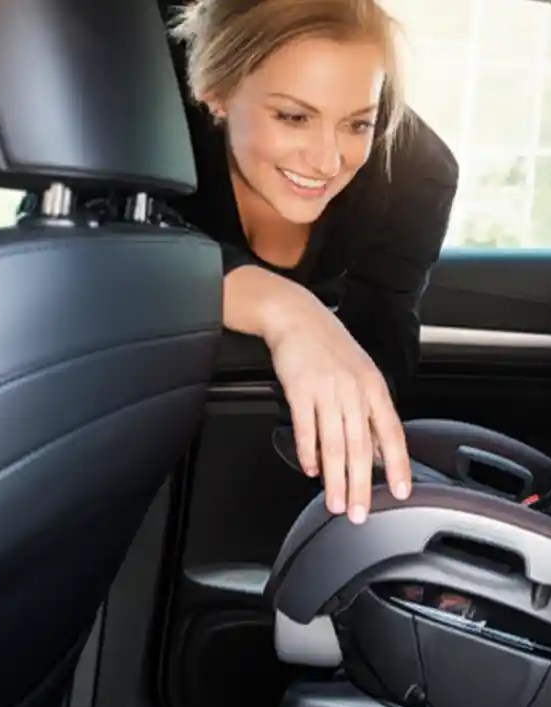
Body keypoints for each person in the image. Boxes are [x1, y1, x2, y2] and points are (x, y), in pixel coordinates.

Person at [167, 0, 459, 524]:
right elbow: (105, 244)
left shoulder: (415, 173)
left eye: (357, 124)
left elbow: (382, 332)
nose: (327, 160)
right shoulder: (150, 129)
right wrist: (284, 308)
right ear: (216, 93)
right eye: (294, 117)